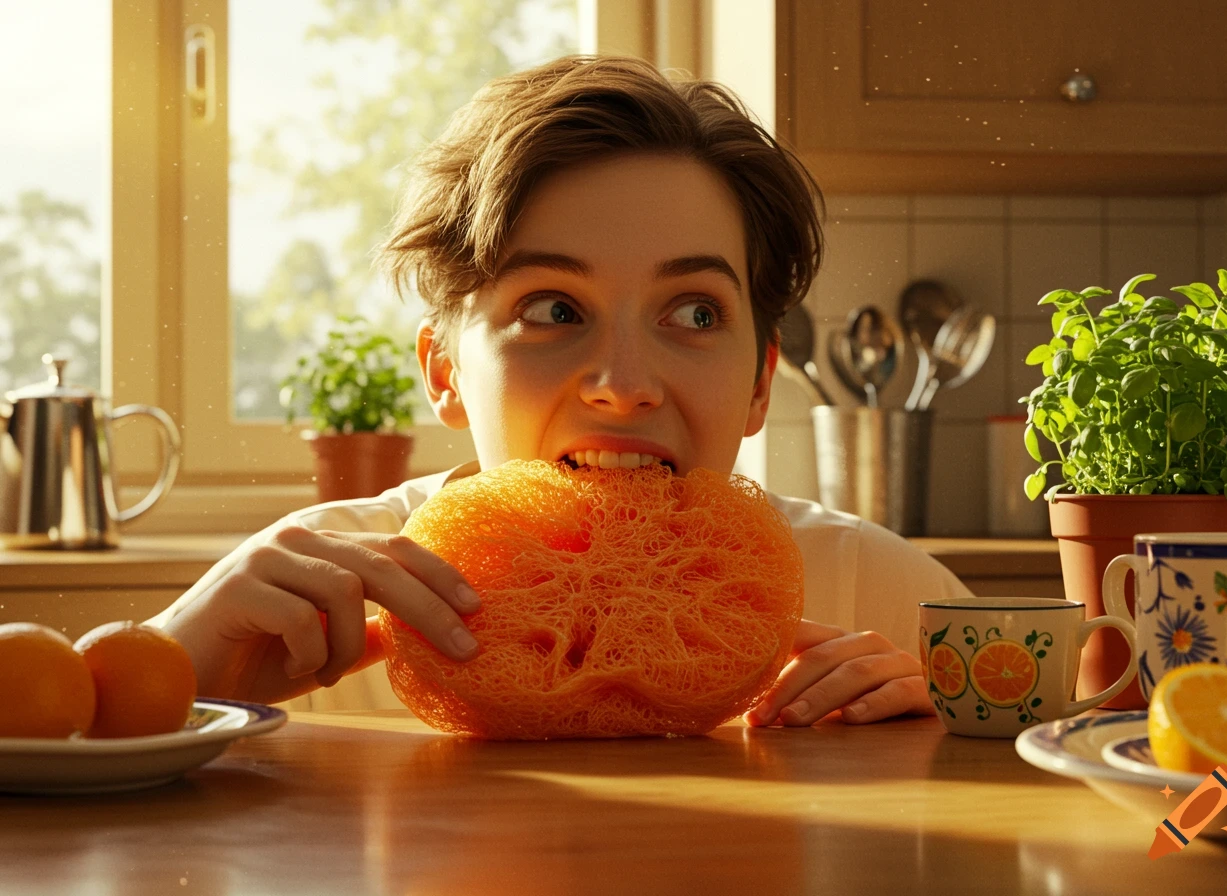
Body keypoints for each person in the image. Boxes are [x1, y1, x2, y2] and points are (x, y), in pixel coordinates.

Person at [147, 55, 971, 727]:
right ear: (446, 374)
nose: (624, 386)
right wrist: (168, 677)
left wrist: (957, 749)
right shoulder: (316, 599)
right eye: (553, 309)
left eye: (694, 311)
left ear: (761, 381)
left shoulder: (886, 593)